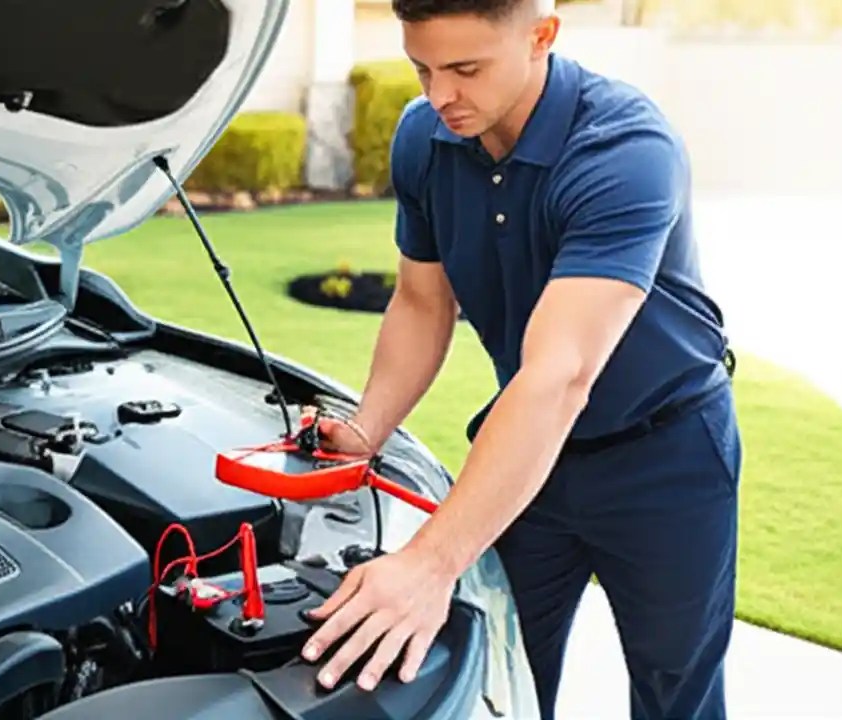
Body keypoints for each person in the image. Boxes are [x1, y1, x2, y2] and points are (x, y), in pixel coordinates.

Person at [297, 1, 743, 718]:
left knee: (674, 691)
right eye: (422, 68)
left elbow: (560, 374)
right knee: (500, 675)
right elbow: (421, 301)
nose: (439, 95)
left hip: (665, 460)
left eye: (465, 69)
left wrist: (428, 563)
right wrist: (366, 428)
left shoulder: (624, 148)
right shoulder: (426, 137)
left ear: (541, 36)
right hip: (528, 458)